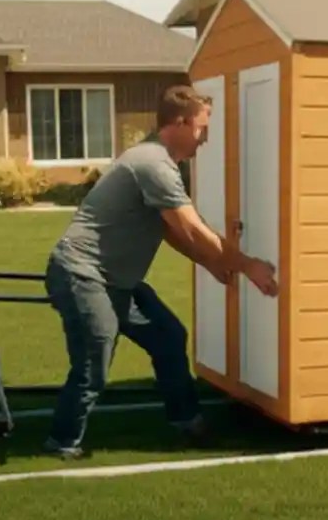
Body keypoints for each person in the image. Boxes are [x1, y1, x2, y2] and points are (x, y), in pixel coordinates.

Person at [42, 84, 278, 458]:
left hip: (115, 280)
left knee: (168, 335)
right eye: (202, 128)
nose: (205, 138)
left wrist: (210, 262)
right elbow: (192, 228)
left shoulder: (161, 162)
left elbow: (169, 229)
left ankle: (186, 420)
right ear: (180, 123)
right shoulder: (152, 164)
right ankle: (62, 442)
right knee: (94, 361)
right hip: (83, 274)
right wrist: (248, 265)